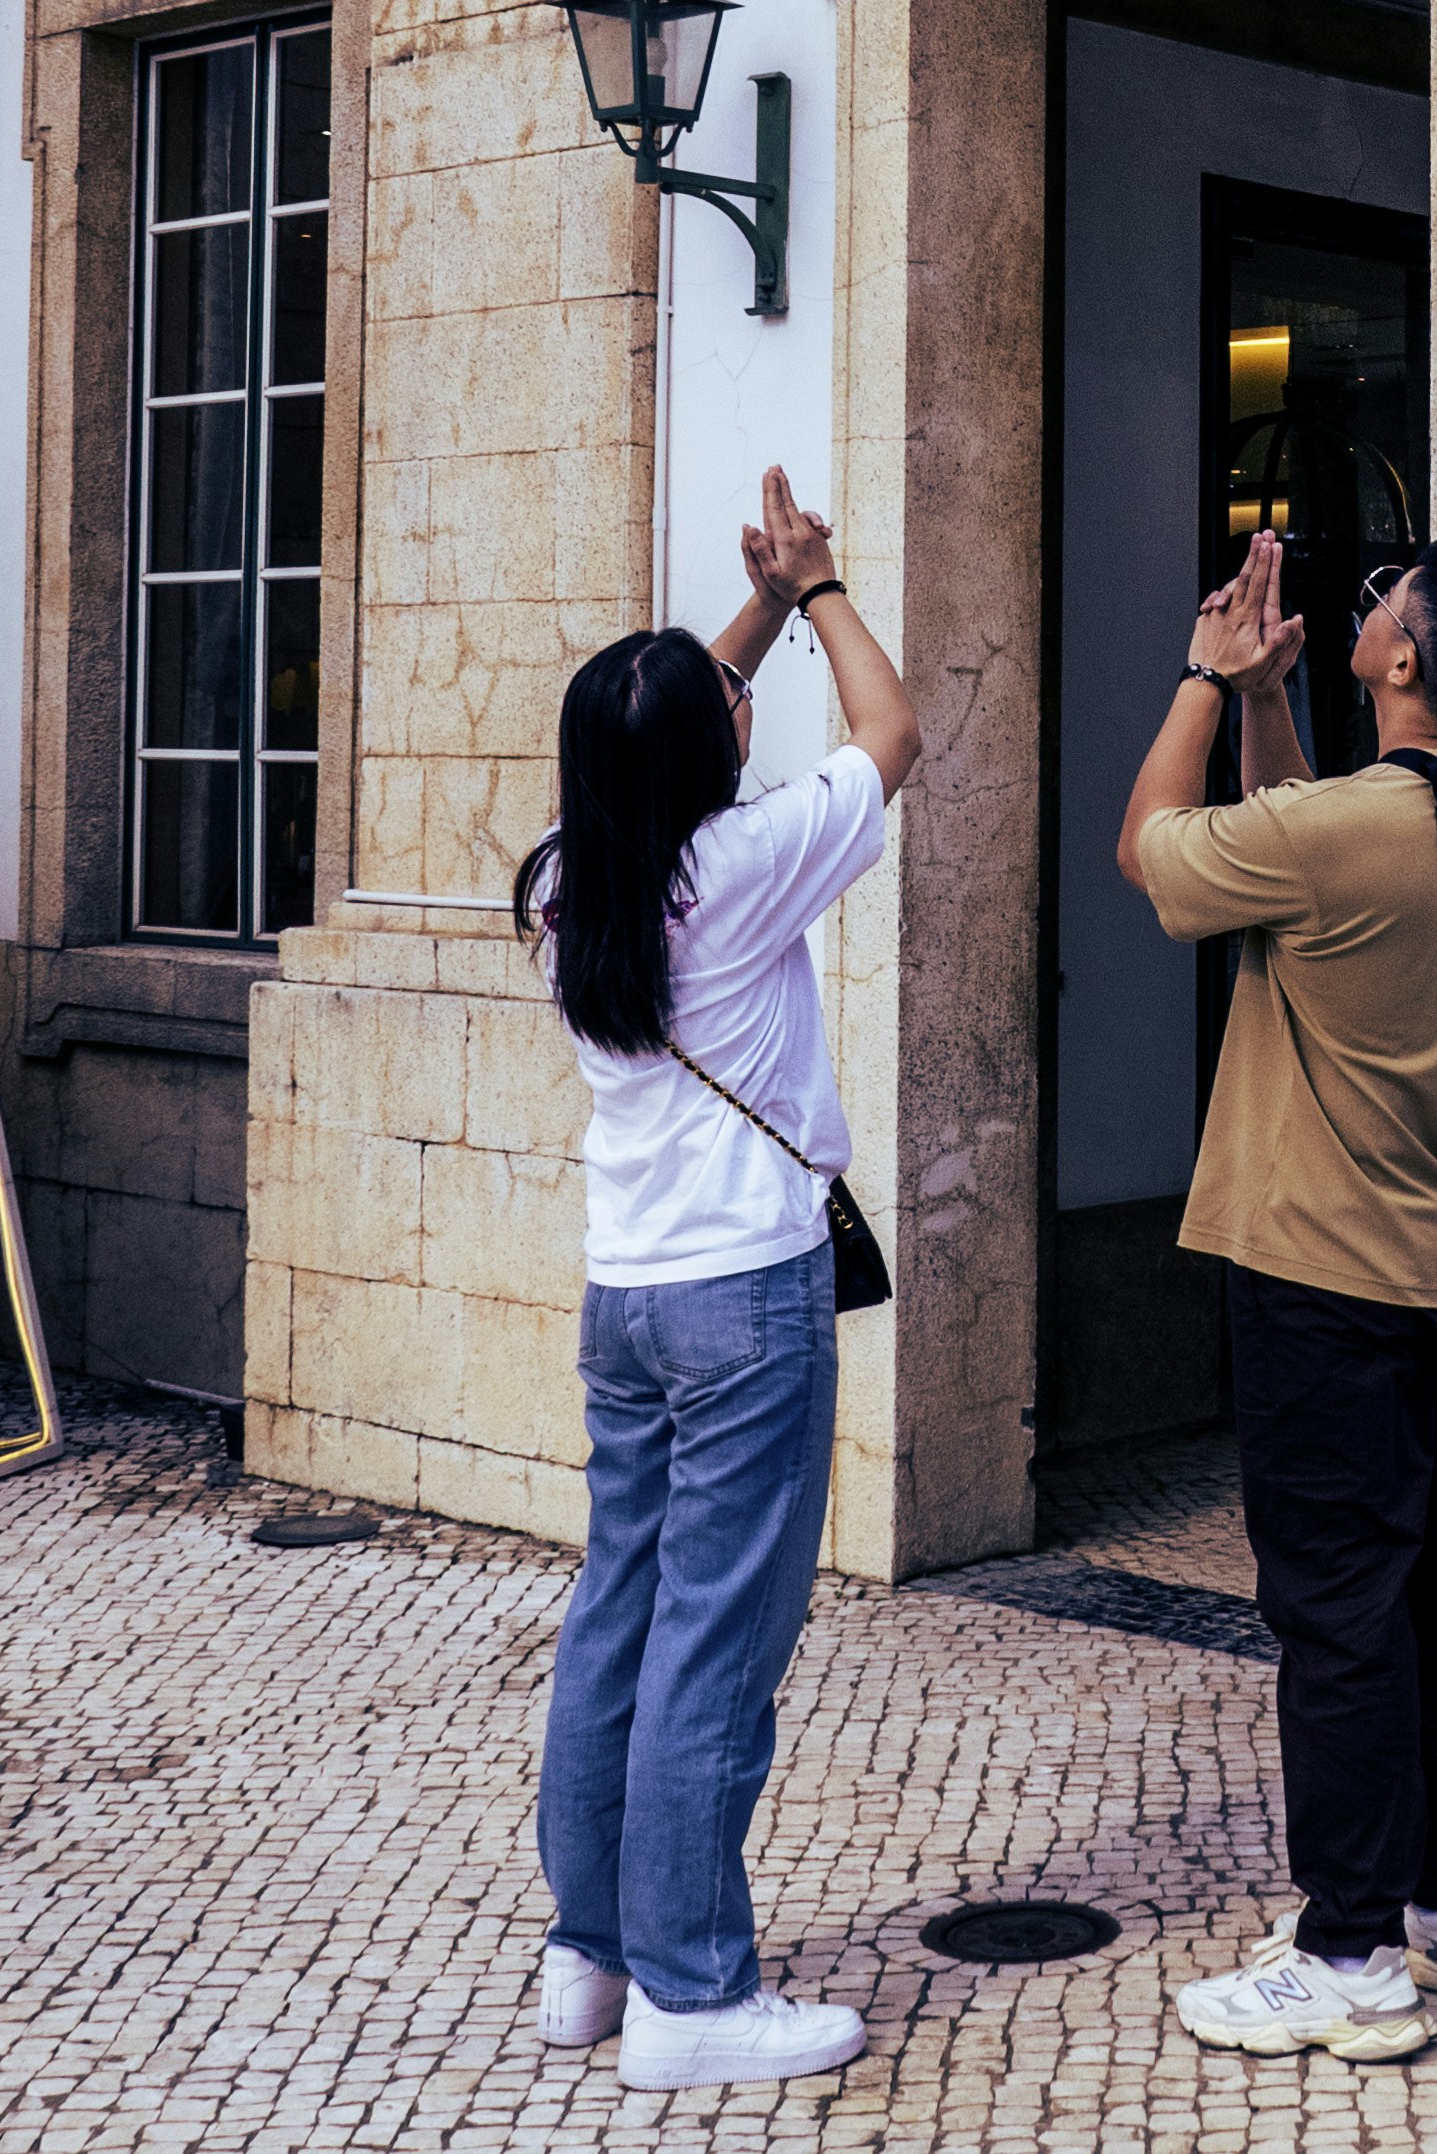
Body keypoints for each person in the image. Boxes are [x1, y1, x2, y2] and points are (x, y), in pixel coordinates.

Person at [1118, 524, 1437, 2066]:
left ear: (1406, 659)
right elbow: (1307, 837)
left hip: (1322, 1283)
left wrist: (1199, 675)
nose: (1370, 605)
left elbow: (1158, 852)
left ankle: (1351, 1951)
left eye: (1390, 601)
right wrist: (1271, 701)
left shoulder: (1349, 836)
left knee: (1339, 1618)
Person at [515, 466, 920, 2093]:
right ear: (718, 748)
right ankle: (693, 1988)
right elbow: (894, 731)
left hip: (627, 1295)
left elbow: (664, 720)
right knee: (717, 1641)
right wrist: (818, 586)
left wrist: (741, 615)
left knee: (620, 1605)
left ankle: (592, 1948)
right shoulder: (741, 866)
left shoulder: (567, 880)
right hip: (746, 1300)